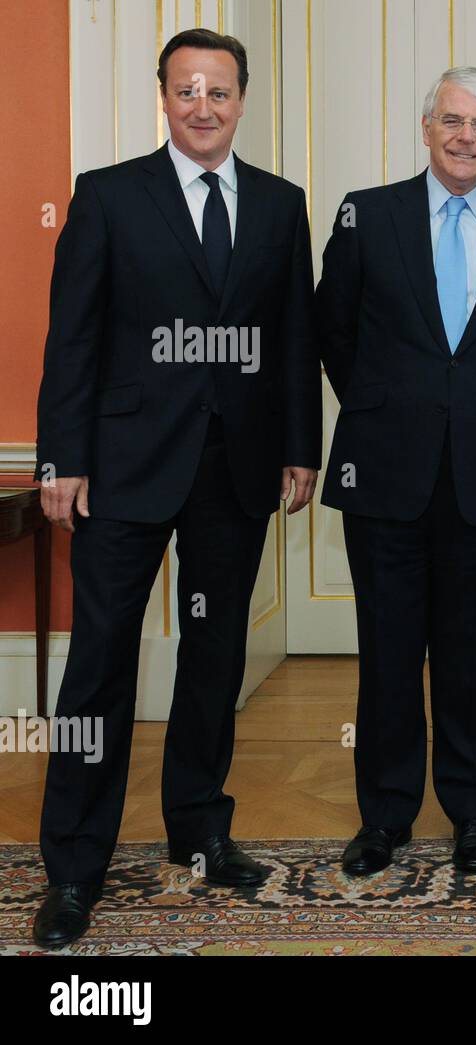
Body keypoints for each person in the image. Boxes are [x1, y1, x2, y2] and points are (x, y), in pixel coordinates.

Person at [32, 28, 320, 948]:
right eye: (187, 90)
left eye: (221, 91)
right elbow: (71, 338)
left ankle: (200, 830)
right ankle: (74, 866)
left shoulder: (281, 205)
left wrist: (300, 446)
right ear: (164, 98)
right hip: (119, 471)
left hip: (235, 469)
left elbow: (295, 339)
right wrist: (59, 458)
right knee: (98, 668)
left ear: (242, 101)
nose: (204, 105)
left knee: (216, 655)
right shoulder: (109, 196)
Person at [316, 67, 476, 877]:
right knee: (387, 651)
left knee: (473, 653)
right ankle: (384, 816)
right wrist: (394, 409)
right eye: (453, 120)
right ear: (426, 127)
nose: (467, 137)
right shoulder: (367, 213)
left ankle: (472, 814)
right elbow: (333, 333)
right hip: (385, 475)